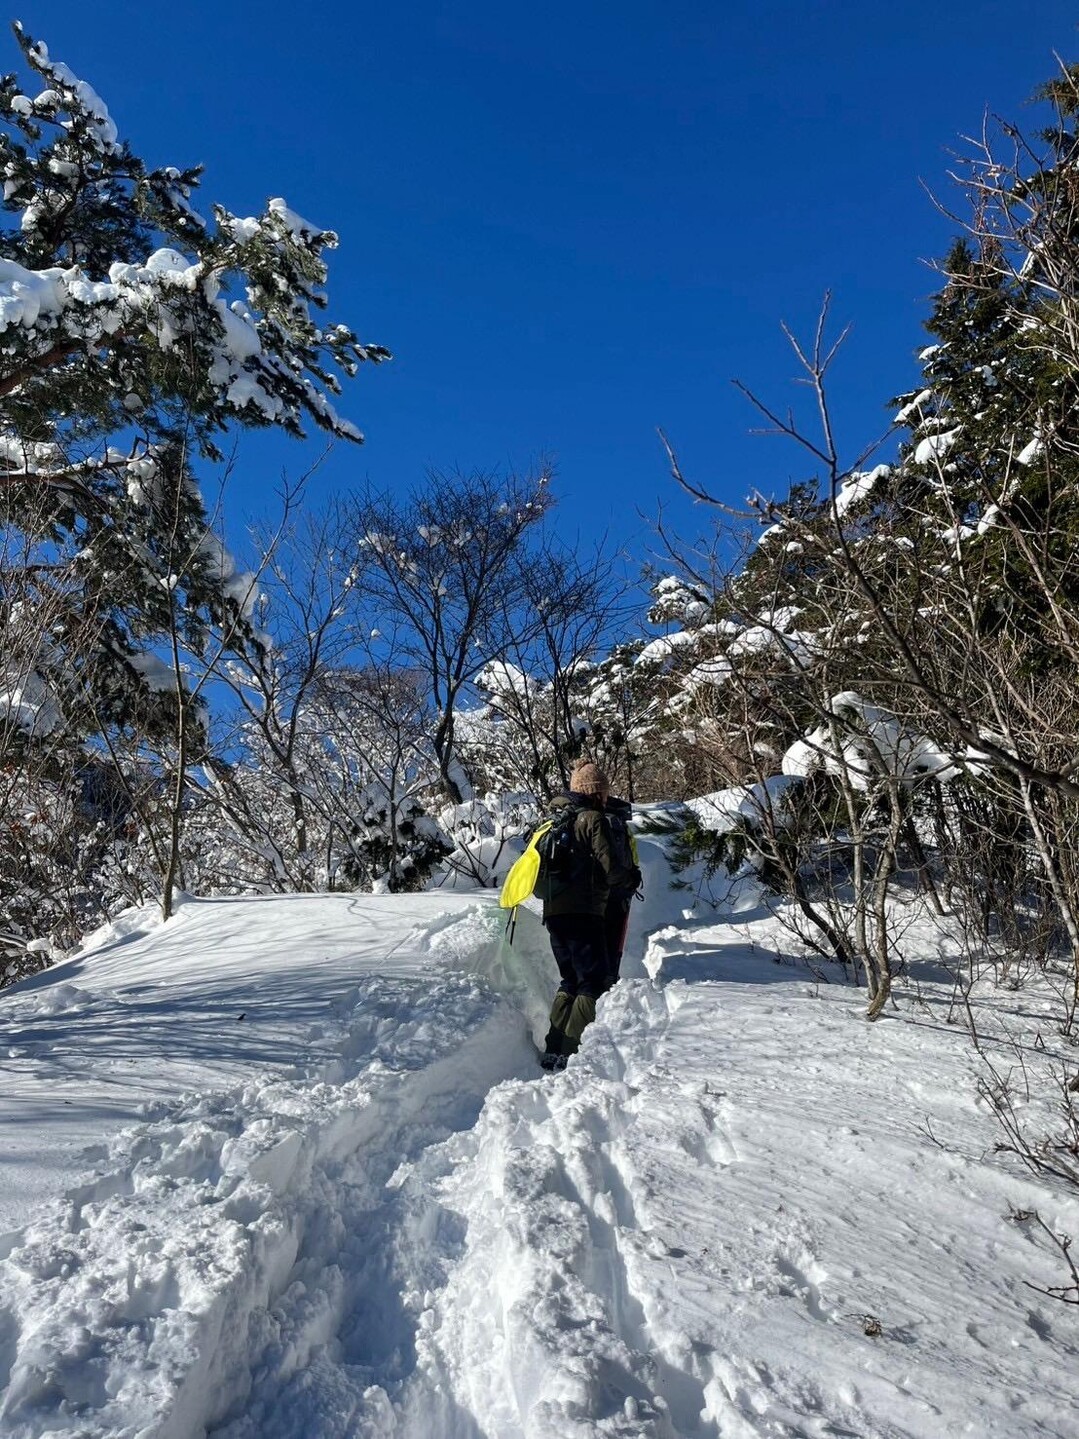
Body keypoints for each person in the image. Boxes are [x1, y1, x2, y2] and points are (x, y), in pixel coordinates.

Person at [537, 760, 635, 1070]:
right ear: (596, 793)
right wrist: (630, 878)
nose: (606, 798)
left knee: (569, 979)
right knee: (591, 982)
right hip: (585, 911)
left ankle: (553, 1047)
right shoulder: (594, 819)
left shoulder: (553, 821)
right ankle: (573, 1051)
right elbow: (611, 868)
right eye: (604, 793)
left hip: (554, 913)